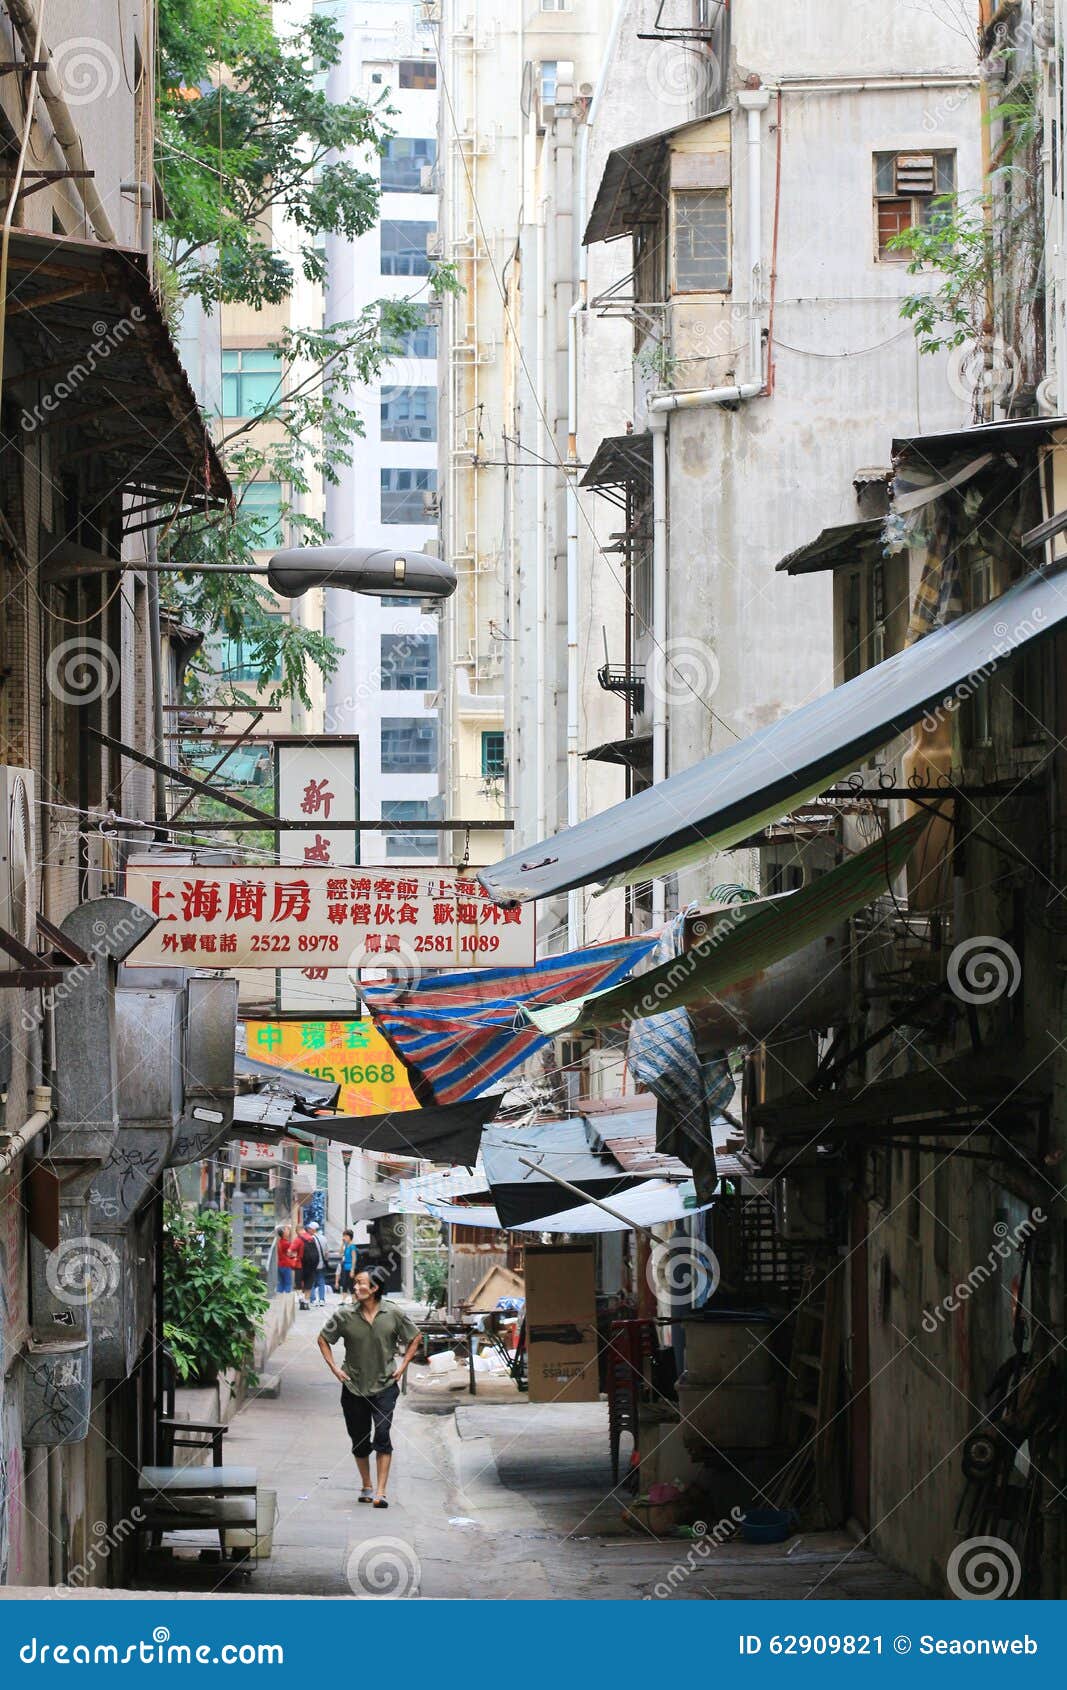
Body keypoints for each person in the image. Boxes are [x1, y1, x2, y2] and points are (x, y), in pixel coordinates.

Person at [317, 1267, 421, 1507]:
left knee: (383, 1435)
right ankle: (367, 1485)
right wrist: (335, 1368)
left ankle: (381, 1492)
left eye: (361, 1283)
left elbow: (415, 1336)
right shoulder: (344, 1315)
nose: (355, 1287)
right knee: (359, 1439)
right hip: (354, 1387)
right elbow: (323, 1339)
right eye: (355, 1283)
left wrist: (404, 1364)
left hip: (385, 1385)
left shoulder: (392, 1312)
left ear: (374, 1288)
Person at [303, 1221, 329, 1307]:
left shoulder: (310, 1239)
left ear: (313, 1229)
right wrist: (326, 1261)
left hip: (312, 1263)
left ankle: (312, 1299)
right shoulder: (324, 1238)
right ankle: (322, 1300)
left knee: (312, 1281)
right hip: (321, 1264)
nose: (308, 1230)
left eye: (310, 1228)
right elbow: (326, 1253)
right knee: (321, 1281)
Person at [276, 1225, 301, 1295]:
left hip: (280, 1264)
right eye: (287, 1230)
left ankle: (279, 1298)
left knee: (281, 1283)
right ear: (284, 1234)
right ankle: (287, 1299)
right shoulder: (286, 1243)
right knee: (288, 1283)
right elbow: (292, 1252)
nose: (289, 1231)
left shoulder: (280, 1242)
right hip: (286, 1265)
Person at [335, 1229, 356, 1303]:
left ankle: (354, 1300)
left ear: (349, 1237)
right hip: (345, 1266)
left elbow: (354, 1258)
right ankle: (343, 1299)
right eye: (343, 1236)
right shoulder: (346, 1245)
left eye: (345, 1236)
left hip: (350, 1267)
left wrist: (352, 1270)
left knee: (351, 1284)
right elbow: (340, 1253)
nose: (344, 1237)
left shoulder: (352, 1246)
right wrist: (343, 1243)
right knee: (344, 1283)